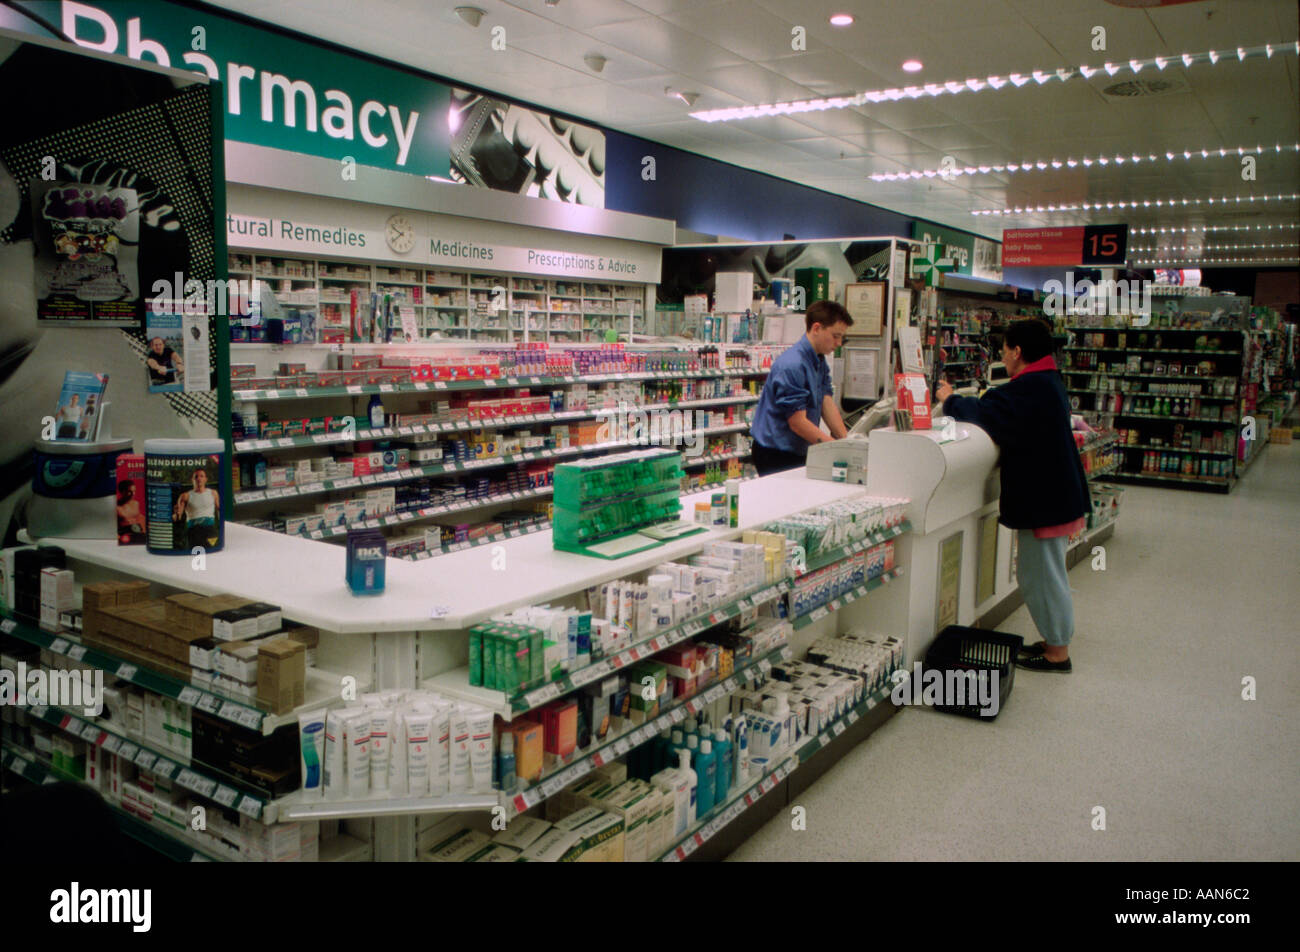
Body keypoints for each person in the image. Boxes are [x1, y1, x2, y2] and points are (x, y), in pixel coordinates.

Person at [936, 318, 1090, 673]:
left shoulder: (1032, 387)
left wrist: (950, 399)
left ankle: (1057, 653)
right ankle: (1054, 640)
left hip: (1047, 503)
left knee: (1042, 577)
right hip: (1055, 498)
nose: (1003, 357)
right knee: (1045, 573)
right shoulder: (1045, 381)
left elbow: (987, 411)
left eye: (1004, 350)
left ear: (1017, 351)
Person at [749, 299, 852, 475]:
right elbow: (797, 423)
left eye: (842, 337)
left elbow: (826, 400)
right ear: (817, 328)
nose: (839, 343)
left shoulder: (818, 360)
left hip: (797, 447)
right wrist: (835, 450)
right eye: (836, 336)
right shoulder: (792, 364)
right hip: (776, 452)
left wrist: (848, 441)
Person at [173, 467, 219, 550]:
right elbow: (178, 515)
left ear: (206, 479)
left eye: (201, 476)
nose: (199, 479)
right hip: (194, 531)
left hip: (210, 529)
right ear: (192, 480)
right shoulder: (185, 496)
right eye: (196, 477)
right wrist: (176, 514)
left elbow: (219, 511)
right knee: (196, 554)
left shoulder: (213, 493)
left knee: (212, 553)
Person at [115, 479, 144, 544]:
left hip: (139, 533)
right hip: (124, 536)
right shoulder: (116, 507)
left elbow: (140, 519)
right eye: (129, 491)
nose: (133, 494)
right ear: (122, 492)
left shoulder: (136, 504)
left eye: (134, 491)